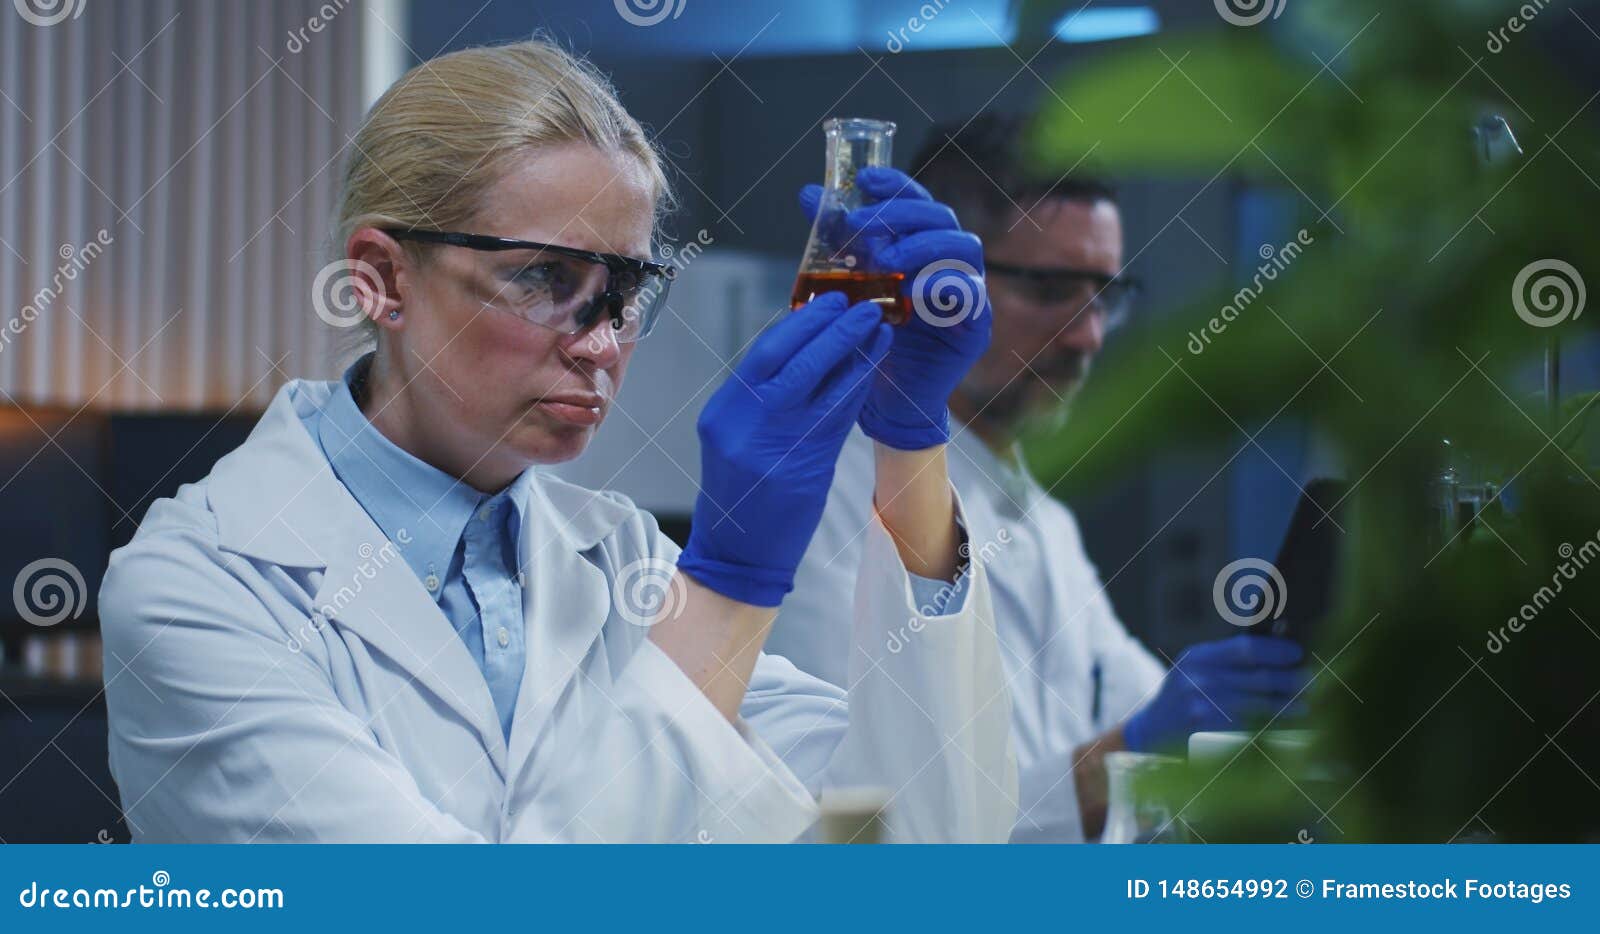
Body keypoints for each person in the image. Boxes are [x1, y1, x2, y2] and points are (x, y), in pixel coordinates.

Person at [99, 39, 1016, 843]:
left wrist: (909, 441)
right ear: (381, 277)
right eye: (544, 278)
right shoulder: (197, 589)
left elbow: (923, 841)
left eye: (625, 291)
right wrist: (732, 583)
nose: (604, 344)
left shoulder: (612, 558)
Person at [767, 113, 1307, 842]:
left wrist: (1227, 717)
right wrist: (1139, 743)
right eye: (1051, 289)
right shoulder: (830, 494)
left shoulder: (1043, 517)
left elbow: (1138, 716)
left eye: (1104, 297)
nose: (1087, 336)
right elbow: (859, 816)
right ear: (937, 281)